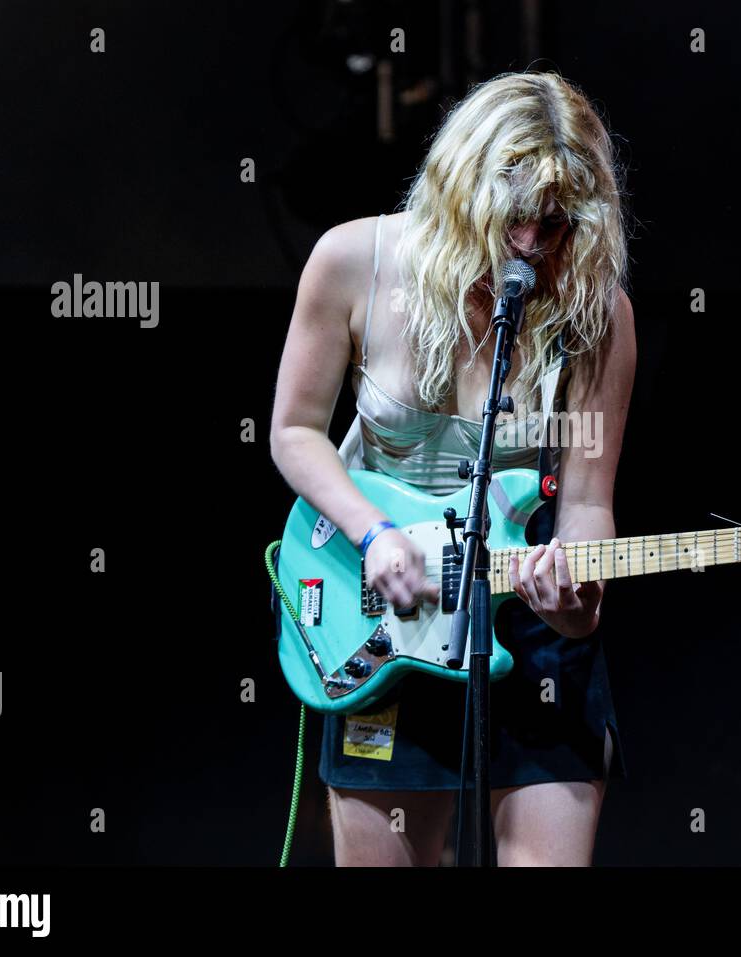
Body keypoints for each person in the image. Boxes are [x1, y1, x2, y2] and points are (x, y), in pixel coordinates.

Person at [269, 70, 635, 866]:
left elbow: (585, 501)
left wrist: (577, 602)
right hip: (383, 613)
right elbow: (296, 431)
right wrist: (372, 537)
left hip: (525, 619)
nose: (532, 245)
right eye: (513, 219)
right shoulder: (355, 259)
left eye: (557, 223)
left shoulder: (595, 313)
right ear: (462, 187)